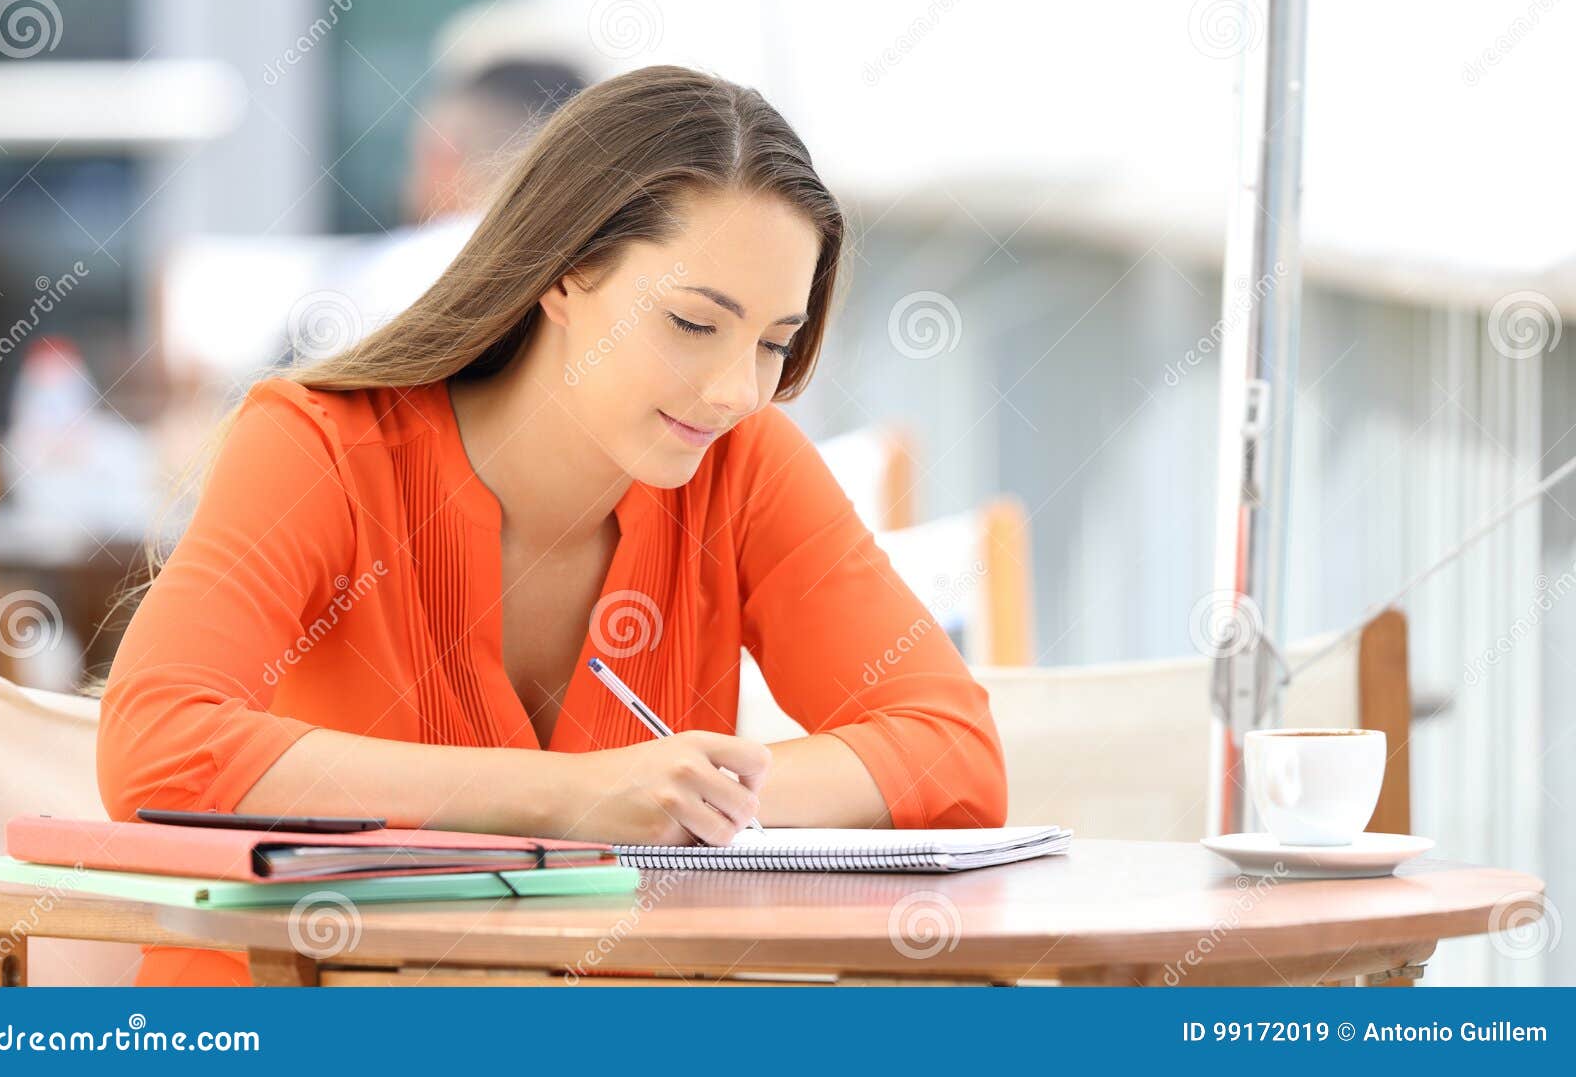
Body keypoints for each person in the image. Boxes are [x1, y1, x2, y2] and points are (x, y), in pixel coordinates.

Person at [94, 65, 1008, 986]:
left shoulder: (744, 465)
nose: (737, 390)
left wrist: (688, 792)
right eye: (694, 323)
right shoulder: (319, 445)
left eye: (775, 342)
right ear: (567, 274)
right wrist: (578, 798)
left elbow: (954, 751)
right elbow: (160, 745)